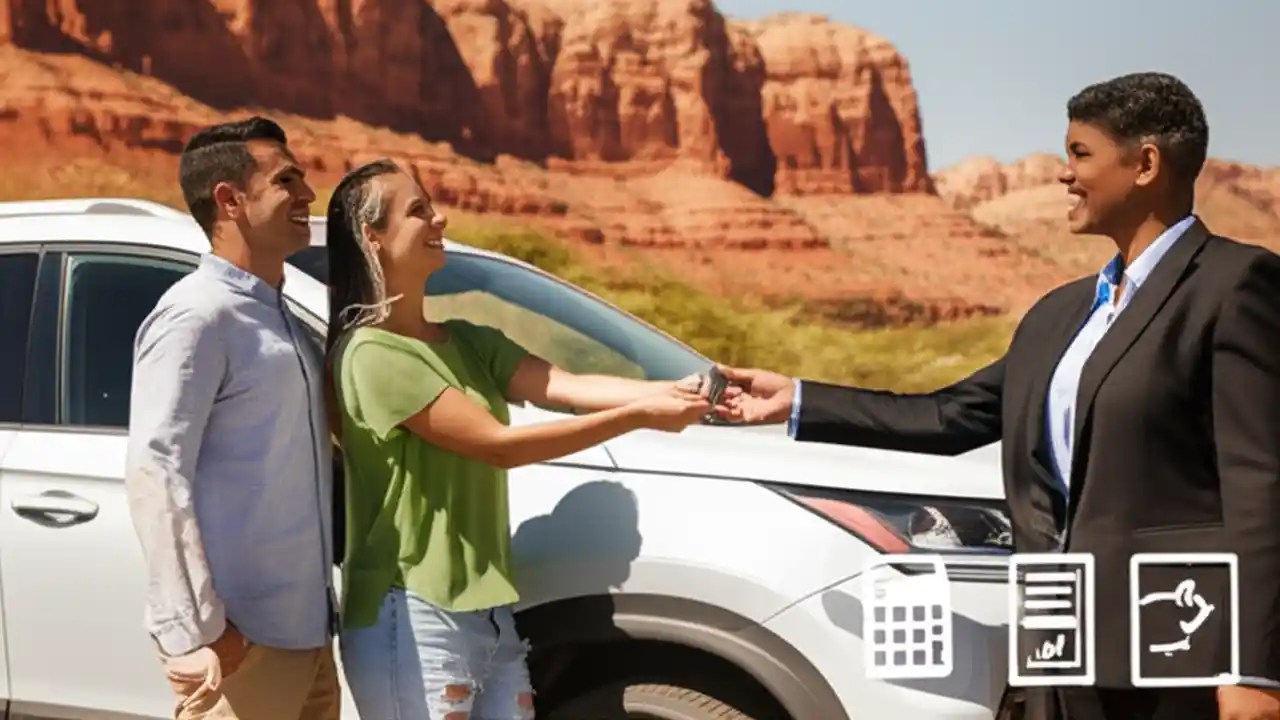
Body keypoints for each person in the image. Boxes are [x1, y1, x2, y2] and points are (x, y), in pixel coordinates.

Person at [718, 72, 1280, 720]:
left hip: (1178, 652)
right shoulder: (1060, 314)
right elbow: (949, 416)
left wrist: (1254, 665)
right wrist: (796, 399)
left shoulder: (1235, 286)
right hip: (1059, 647)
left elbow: (1261, 486)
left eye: (1080, 153)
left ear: (1146, 164)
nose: (1064, 174)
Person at [323, 159, 716, 719]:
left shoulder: (467, 341)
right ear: (373, 237)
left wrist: (684, 389)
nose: (440, 218)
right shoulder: (372, 353)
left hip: (489, 617)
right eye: (418, 211)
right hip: (411, 616)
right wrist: (639, 417)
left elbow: (566, 385)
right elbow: (497, 445)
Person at [125, 116, 340, 719]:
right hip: (241, 647)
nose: (307, 194)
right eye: (286, 181)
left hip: (308, 637)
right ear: (230, 200)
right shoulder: (197, 317)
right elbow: (155, 471)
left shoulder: (282, 319)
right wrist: (199, 632)